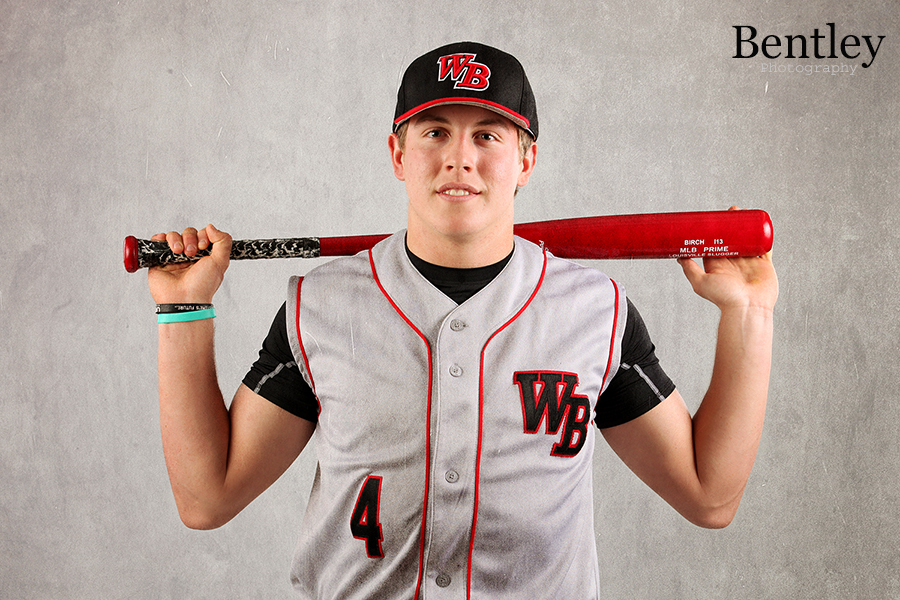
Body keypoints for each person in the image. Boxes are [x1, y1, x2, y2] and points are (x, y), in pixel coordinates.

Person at [148, 41, 778, 599]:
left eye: (487, 134)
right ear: (397, 154)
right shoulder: (322, 304)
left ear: (526, 161)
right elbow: (208, 498)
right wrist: (183, 309)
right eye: (435, 132)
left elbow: (708, 495)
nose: (459, 158)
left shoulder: (595, 311)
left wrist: (748, 311)